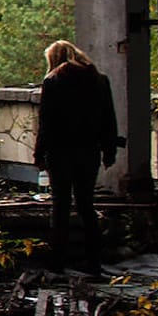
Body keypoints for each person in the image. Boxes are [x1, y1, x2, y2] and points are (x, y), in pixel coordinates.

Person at [33, 38, 118, 275]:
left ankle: (58, 262)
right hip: (89, 152)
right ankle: (94, 263)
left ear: (54, 59)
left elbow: (46, 123)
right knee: (86, 205)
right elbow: (109, 119)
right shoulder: (100, 80)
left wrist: (39, 154)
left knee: (60, 206)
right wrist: (109, 151)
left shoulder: (53, 81)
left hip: (60, 153)